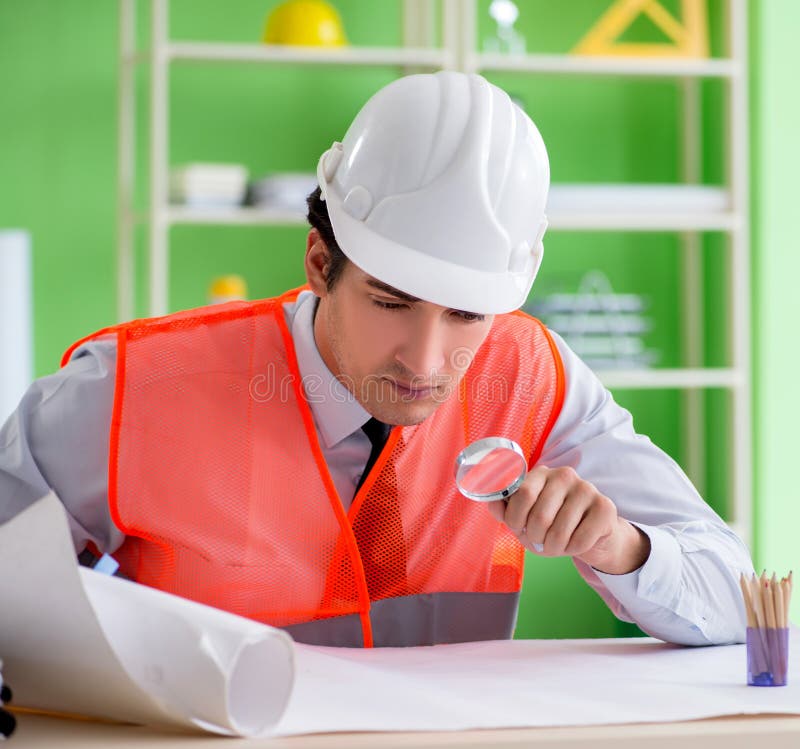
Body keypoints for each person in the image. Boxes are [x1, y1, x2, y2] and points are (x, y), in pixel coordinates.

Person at [0, 72, 752, 648]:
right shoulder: (130, 389)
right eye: (391, 302)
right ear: (320, 261)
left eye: (466, 314)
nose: (426, 360)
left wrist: (621, 547)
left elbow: (739, 593)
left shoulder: (531, 375)